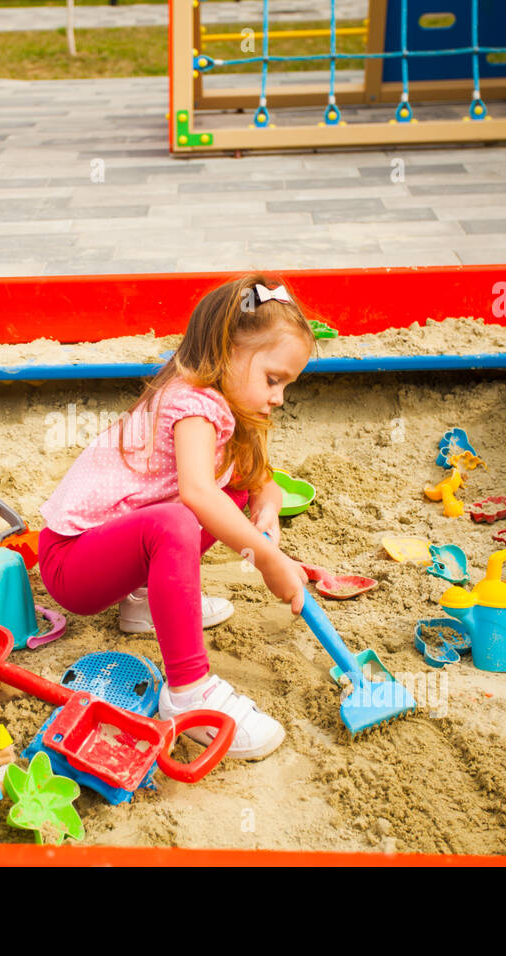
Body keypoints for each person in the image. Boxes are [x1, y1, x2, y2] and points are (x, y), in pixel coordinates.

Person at [37, 274, 315, 760]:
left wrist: (265, 509)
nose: (279, 398)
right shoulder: (194, 403)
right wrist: (267, 558)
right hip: (71, 565)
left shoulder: (229, 402)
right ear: (226, 352)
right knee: (185, 517)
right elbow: (196, 494)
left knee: (222, 494)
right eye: (273, 379)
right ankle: (188, 693)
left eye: (286, 385)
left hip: (108, 553)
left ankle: (146, 604)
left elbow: (260, 482)